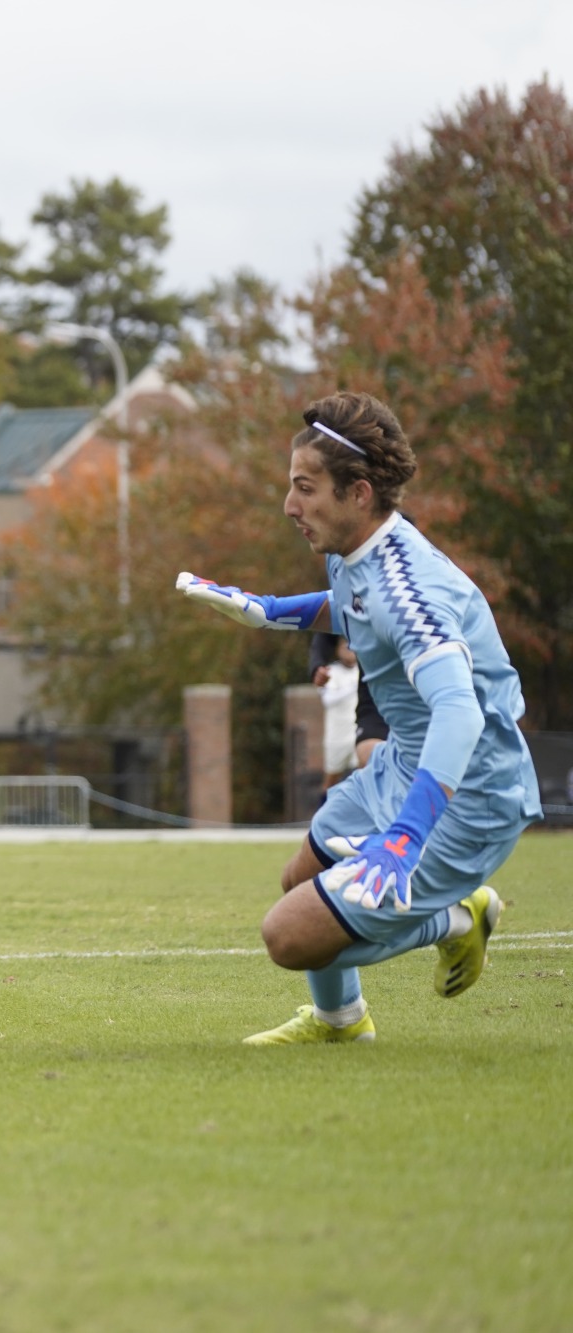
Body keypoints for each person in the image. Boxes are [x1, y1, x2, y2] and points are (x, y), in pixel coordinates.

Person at [178, 391, 540, 1045]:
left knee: (289, 936)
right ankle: (341, 1022)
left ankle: (461, 917)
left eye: (305, 488)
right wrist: (270, 609)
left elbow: (459, 711)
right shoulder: (354, 550)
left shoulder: (412, 590)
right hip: (406, 759)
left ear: (360, 493)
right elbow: (349, 606)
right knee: (302, 877)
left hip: (470, 792)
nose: (290, 505)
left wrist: (405, 835)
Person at [311, 630, 390, 771]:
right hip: (370, 706)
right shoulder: (333, 671)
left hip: (424, 701)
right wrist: (317, 663)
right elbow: (325, 626)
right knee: (372, 762)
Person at [317, 639, 361, 783]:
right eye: (344, 646)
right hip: (337, 735)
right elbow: (328, 699)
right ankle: (324, 804)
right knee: (332, 777)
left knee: (361, 774)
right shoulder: (331, 671)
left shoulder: (362, 670)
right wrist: (354, 687)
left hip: (357, 732)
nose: (349, 650)